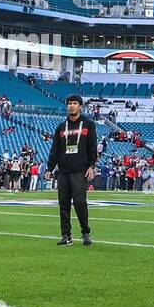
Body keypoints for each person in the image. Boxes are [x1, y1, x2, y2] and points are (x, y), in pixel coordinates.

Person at [46, 95, 97, 246]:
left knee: (80, 203)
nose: (71, 106)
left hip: (80, 170)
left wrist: (91, 166)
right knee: (64, 204)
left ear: (80, 106)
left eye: (75, 103)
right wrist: (50, 167)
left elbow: (92, 146)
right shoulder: (61, 127)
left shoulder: (88, 124)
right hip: (63, 171)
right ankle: (66, 235)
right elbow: (55, 149)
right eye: (69, 103)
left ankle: (85, 232)